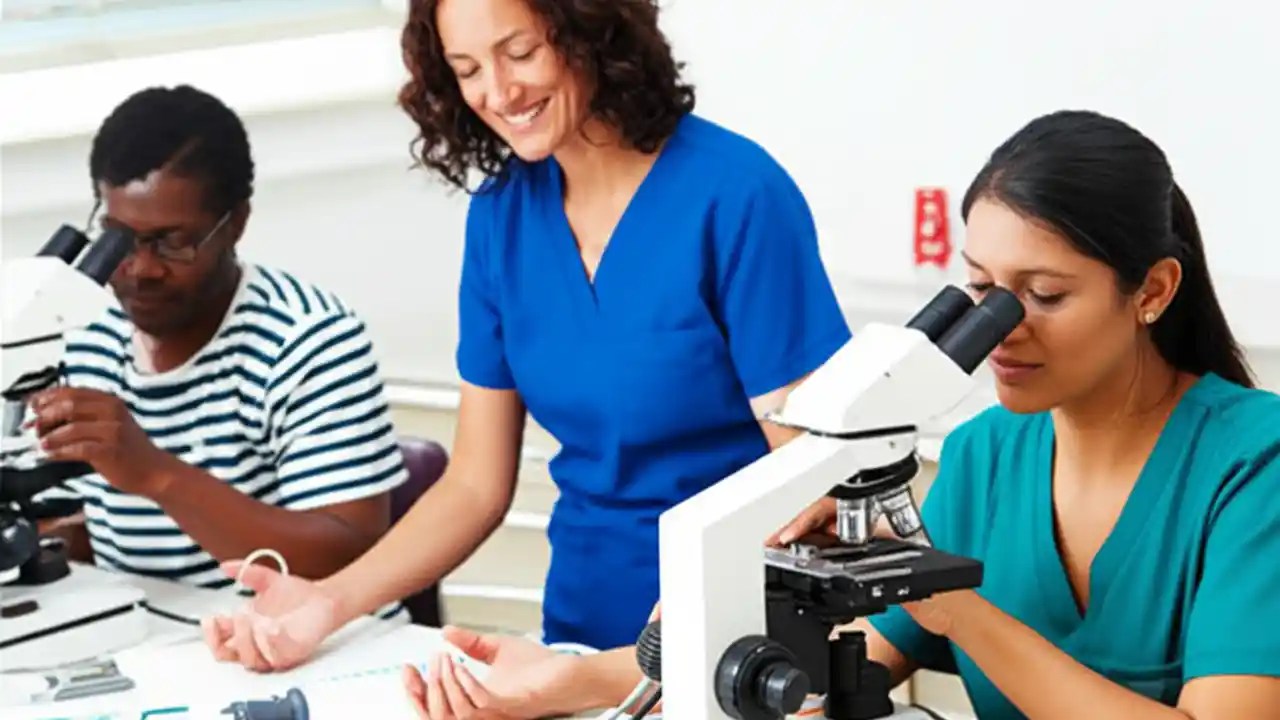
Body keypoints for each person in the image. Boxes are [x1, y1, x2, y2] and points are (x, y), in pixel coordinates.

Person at [394, 109, 1280, 720]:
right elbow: (851, 649)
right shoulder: (984, 455)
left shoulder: (1254, 464)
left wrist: (956, 607)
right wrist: (568, 680)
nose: (1000, 329)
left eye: (1043, 295)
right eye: (977, 292)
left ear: (1153, 291)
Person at [203, 0, 850, 673]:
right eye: (468, 69)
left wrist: (705, 620)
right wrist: (327, 604)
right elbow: (475, 485)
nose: (499, 92)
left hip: (735, 646)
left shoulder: (736, 196)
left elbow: (811, 486)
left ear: (591, 32)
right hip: (572, 635)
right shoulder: (500, 219)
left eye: (520, 52)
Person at [29, 86, 409, 627]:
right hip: (162, 641)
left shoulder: (308, 339)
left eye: (171, 242)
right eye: (119, 239)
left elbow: (347, 557)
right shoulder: (84, 330)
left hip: (316, 646)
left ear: (235, 223)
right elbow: (79, 526)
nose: (140, 269)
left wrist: (156, 474)